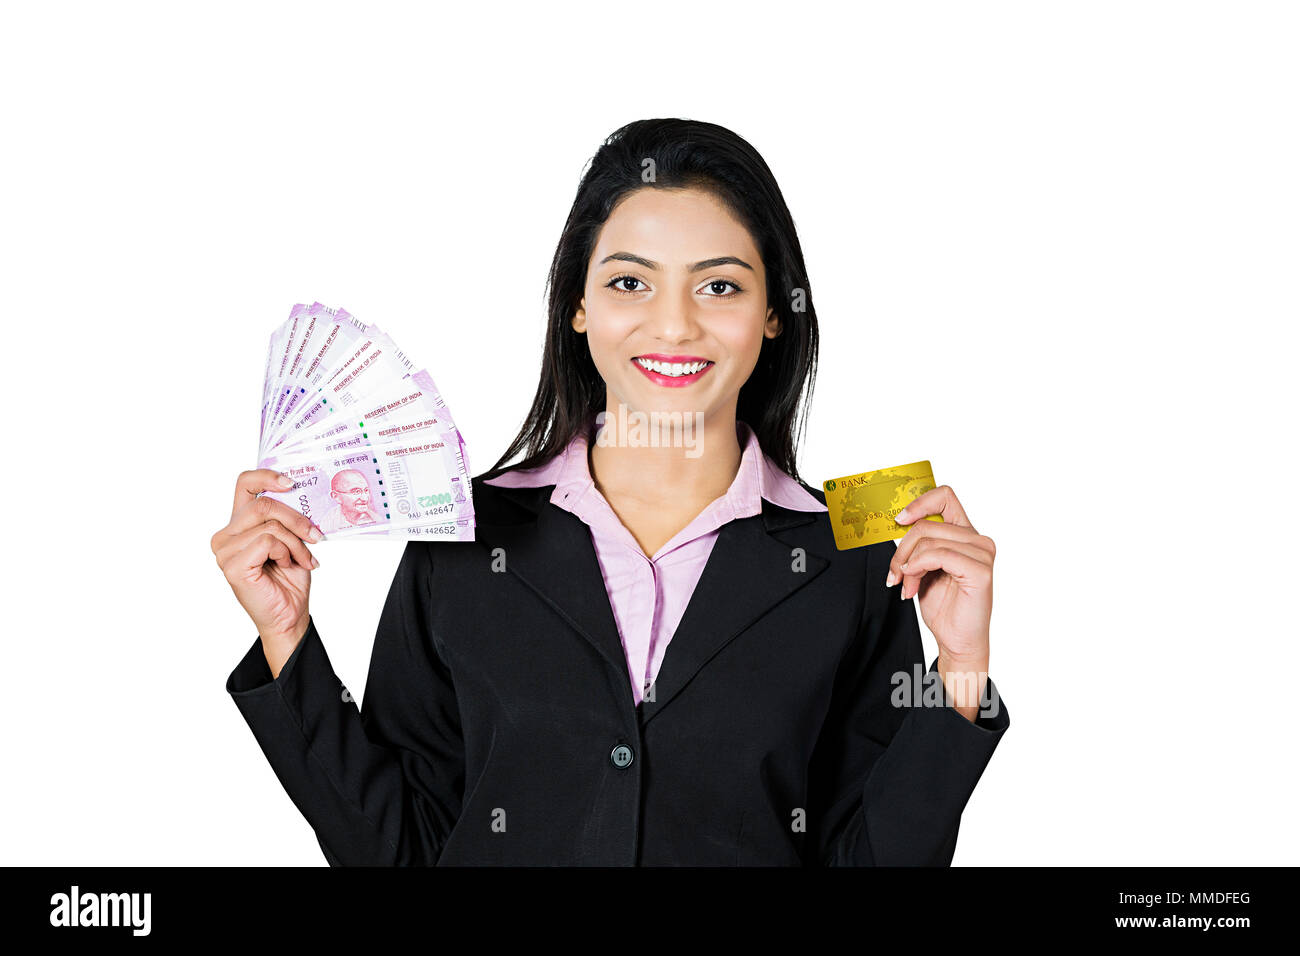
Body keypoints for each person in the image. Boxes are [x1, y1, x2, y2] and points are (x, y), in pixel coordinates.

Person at [210, 118, 1009, 866]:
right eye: (631, 282)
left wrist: (961, 666)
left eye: (720, 287)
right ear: (579, 307)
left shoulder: (854, 558)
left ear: (774, 313)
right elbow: (404, 848)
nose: (672, 327)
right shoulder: (464, 540)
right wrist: (286, 637)